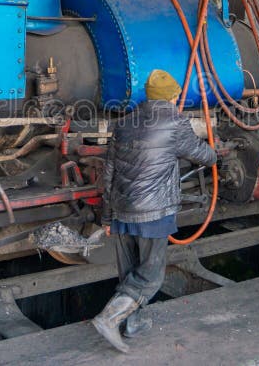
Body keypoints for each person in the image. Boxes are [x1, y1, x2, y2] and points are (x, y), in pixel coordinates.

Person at [91, 69, 217, 352]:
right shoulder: (175, 121)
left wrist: (108, 218)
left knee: (129, 274)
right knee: (149, 275)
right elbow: (204, 156)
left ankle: (133, 323)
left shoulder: (123, 123)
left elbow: (109, 174)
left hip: (122, 209)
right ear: (173, 97)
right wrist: (216, 151)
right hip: (153, 213)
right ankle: (109, 318)